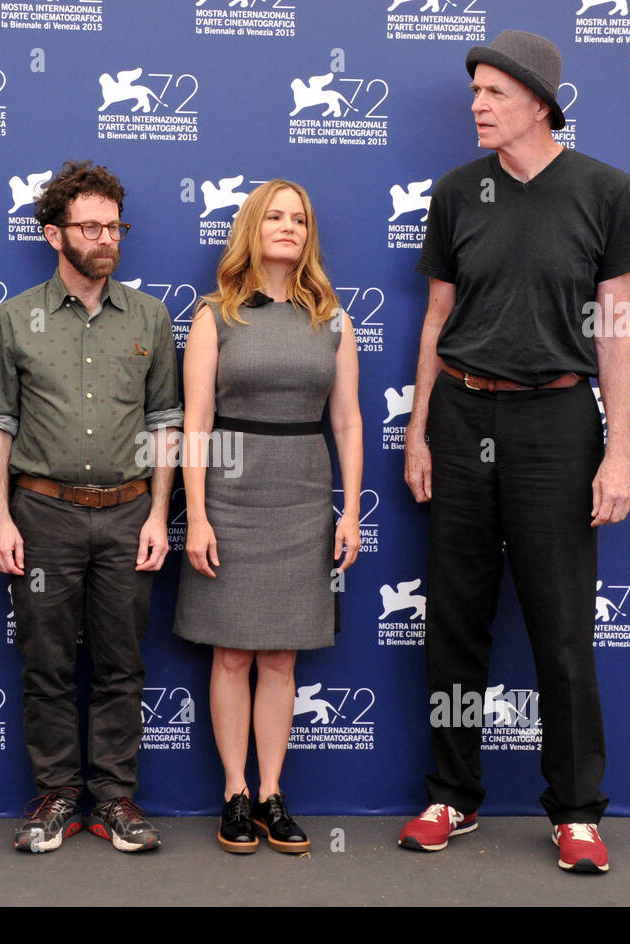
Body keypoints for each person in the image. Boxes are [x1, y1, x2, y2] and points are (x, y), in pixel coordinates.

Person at [399, 31, 630, 874]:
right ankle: (451, 793)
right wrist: (419, 429)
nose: (477, 104)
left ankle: (575, 810)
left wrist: (621, 451)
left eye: (494, 92)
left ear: (540, 103)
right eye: (475, 91)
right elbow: (436, 319)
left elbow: (617, 329)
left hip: (558, 423)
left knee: (563, 628)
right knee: (454, 621)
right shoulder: (456, 192)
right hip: (462, 414)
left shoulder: (606, 191)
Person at [0, 160, 182, 853]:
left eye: (114, 227)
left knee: (123, 663)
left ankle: (115, 798)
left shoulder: (150, 317)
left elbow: (165, 423)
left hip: (129, 513)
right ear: (54, 234)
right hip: (43, 514)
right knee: (47, 663)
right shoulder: (13, 319)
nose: (106, 239)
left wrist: (158, 515)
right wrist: (1, 517)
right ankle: (59, 795)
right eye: (90, 227)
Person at [174, 180, 363, 855]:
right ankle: (235, 792)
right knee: (230, 653)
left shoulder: (333, 320)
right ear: (252, 228)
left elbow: (348, 422)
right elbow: (195, 424)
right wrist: (197, 515)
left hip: (303, 498)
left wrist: (350, 511)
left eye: (299, 219)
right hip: (229, 496)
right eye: (276, 217)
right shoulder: (214, 315)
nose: (289, 227)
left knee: (281, 655)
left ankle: (271, 794)